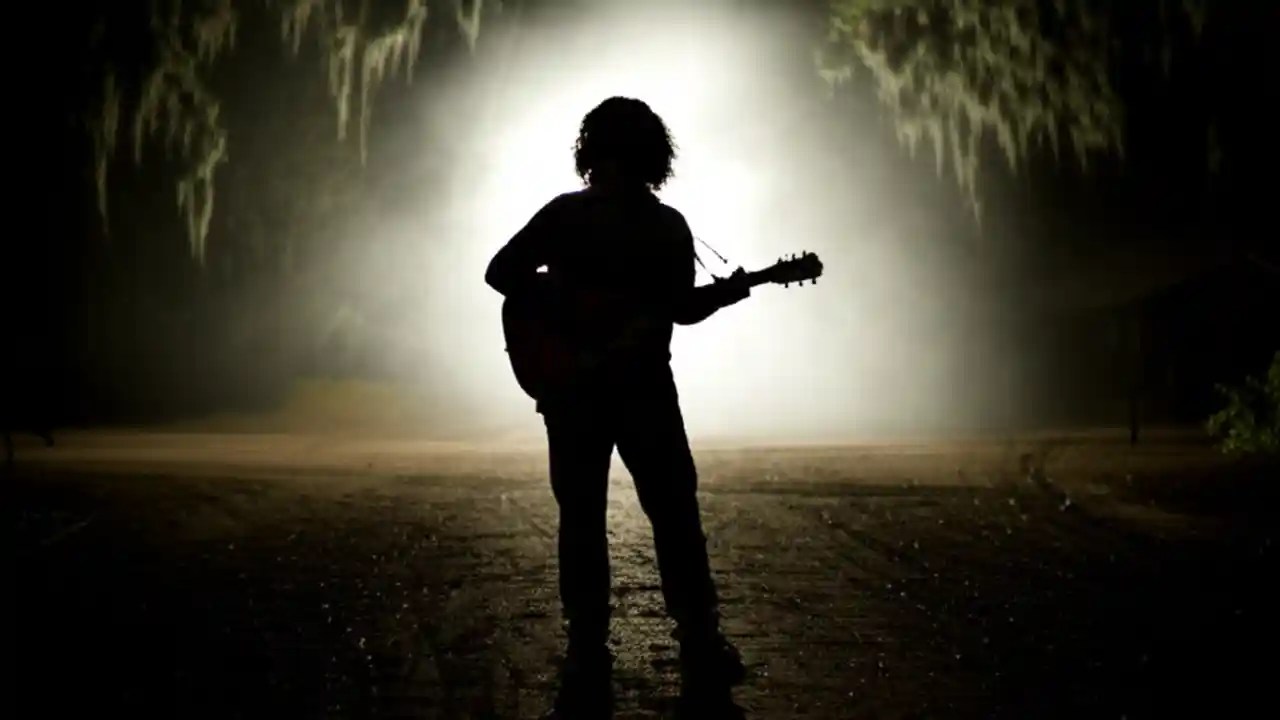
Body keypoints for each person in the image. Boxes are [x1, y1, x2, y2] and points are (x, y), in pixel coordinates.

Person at [485, 97, 750, 715]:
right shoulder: (664, 225)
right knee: (674, 511)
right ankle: (699, 640)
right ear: (656, 156)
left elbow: (502, 274)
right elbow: (683, 310)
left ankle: (586, 648)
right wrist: (728, 295)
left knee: (582, 516)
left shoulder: (565, 216)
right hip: (642, 391)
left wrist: (556, 315)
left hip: (574, 392)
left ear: (590, 152)